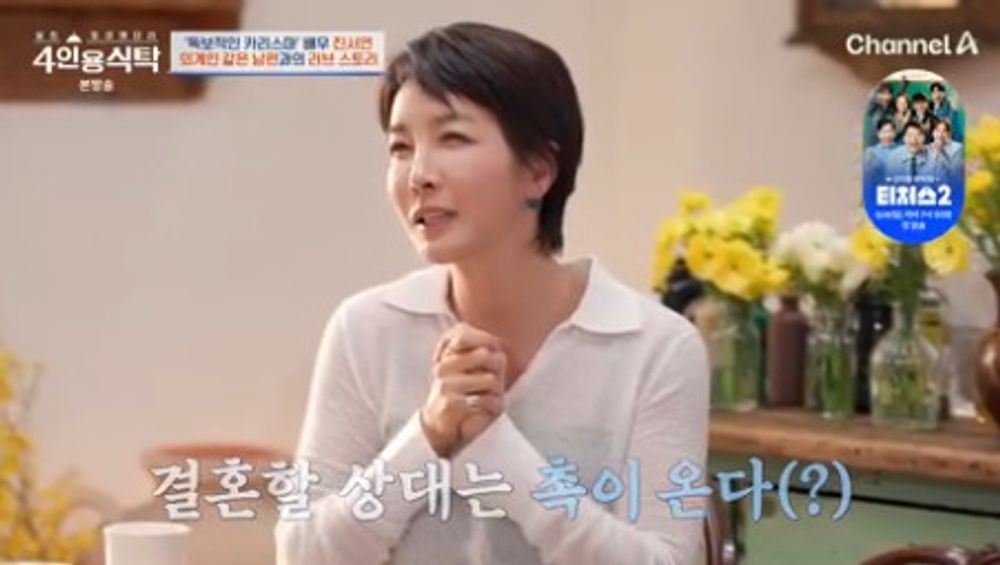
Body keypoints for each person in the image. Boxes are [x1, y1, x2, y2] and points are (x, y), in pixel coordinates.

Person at [275, 22, 710, 565]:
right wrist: (429, 436)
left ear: (538, 171)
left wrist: (501, 456)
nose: (418, 175)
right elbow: (303, 553)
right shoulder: (366, 329)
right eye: (401, 147)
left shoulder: (656, 348)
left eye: (452, 138)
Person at [929, 119, 963, 184]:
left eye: (944, 131)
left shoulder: (957, 148)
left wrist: (941, 152)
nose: (940, 135)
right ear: (932, 132)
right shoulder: (927, 148)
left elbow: (954, 173)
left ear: (949, 133)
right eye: (937, 130)